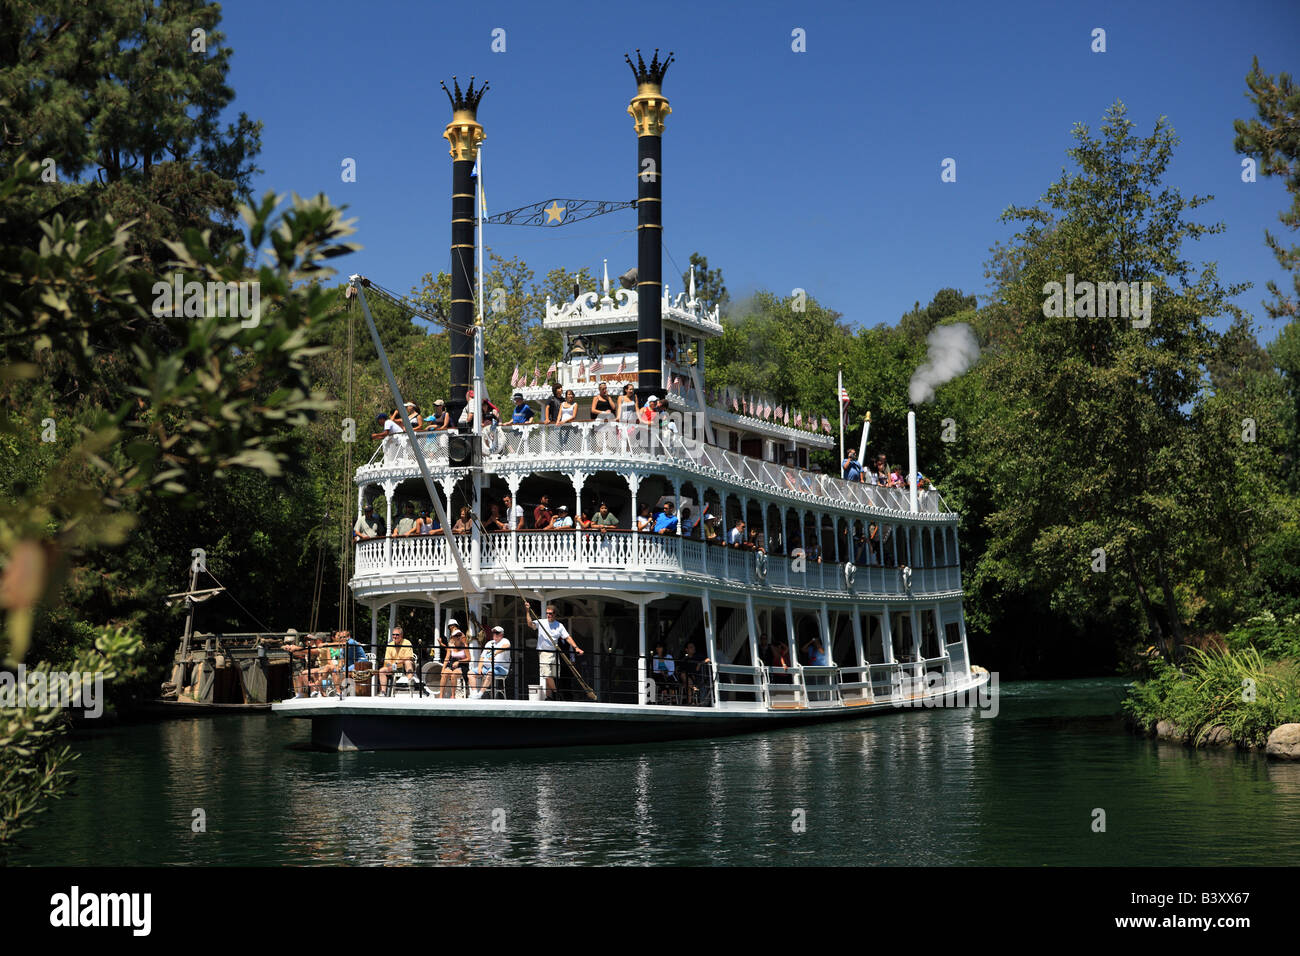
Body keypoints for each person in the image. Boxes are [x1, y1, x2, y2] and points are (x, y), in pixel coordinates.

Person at [525, 604, 584, 701]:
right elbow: (530, 624)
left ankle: (549, 697)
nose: (548, 615)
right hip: (544, 653)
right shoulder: (541, 622)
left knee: (552, 676)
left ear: (555, 614)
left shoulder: (559, 625)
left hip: (554, 653)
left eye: (551, 613)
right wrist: (527, 611)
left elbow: (567, 637)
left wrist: (576, 648)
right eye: (547, 613)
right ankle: (557, 693)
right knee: (547, 675)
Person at [469, 625, 511, 698]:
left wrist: (495, 652)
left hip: (500, 668)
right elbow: (482, 657)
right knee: (470, 673)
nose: (495, 634)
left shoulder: (504, 640)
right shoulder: (489, 643)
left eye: (497, 633)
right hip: (486, 667)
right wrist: (479, 667)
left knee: (490, 672)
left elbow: (507, 646)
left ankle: (480, 694)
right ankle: (475, 693)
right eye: (494, 633)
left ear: (501, 634)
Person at [378, 626, 415, 694]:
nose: (394, 636)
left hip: (405, 666)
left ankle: (410, 683)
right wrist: (389, 666)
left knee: (408, 662)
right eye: (393, 634)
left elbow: (409, 657)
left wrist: (397, 662)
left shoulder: (407, 643)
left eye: (397, 635)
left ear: (401, 635)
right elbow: (387, 661)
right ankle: (383, 692)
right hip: (394, 667)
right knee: (381, 670)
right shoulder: (390, 645)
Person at [438, 624, 470, 698]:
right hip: (452, 664)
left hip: (462, 665)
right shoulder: (450, 646)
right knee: (444, 674)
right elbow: (447, 658)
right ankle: (441, 695)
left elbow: (469, 659)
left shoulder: (465, 646)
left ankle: (453, 695)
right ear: (453, 637)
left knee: (454, 675)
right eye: (456, 635)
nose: (458, 637)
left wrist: (459, 662)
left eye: (459, 635)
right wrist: (443, 669)